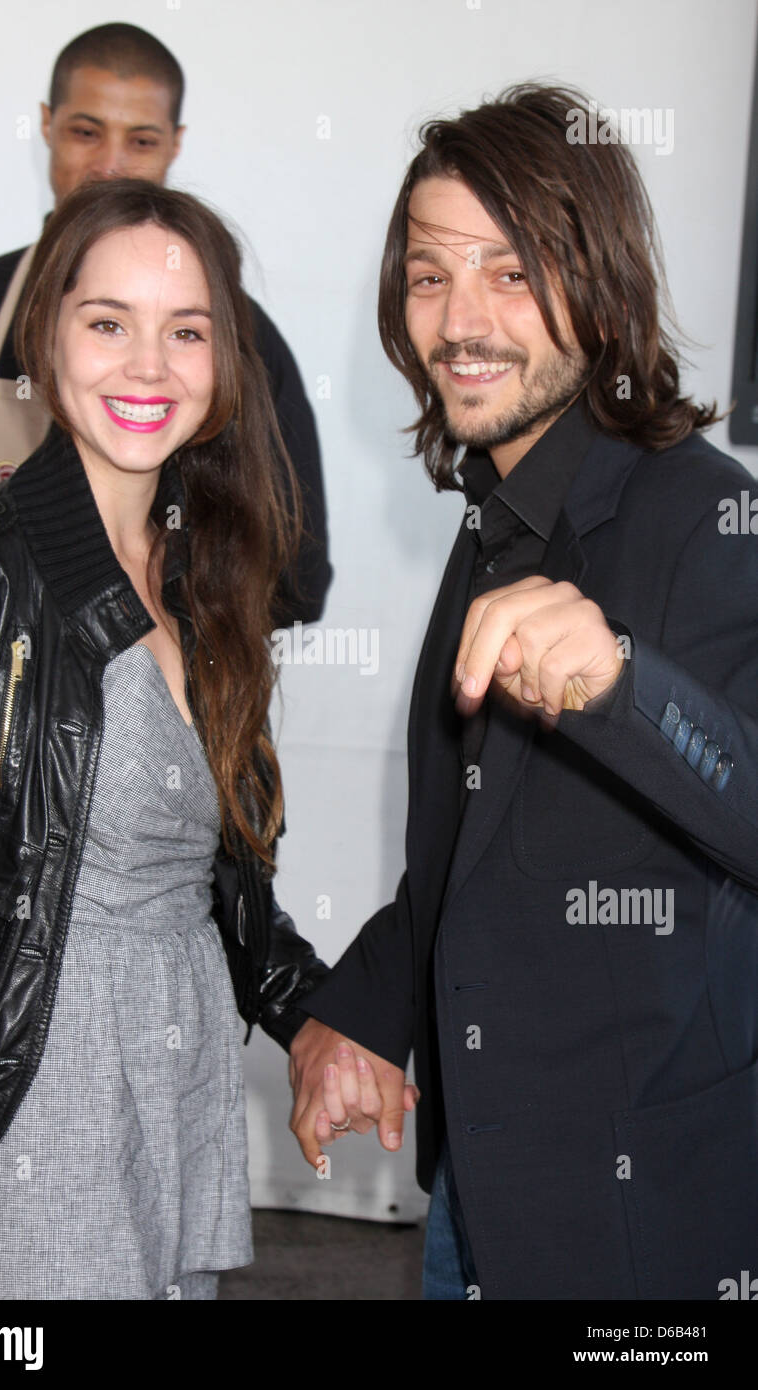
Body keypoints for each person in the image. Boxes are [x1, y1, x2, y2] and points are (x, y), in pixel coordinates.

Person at [288, 83, 758, 1300]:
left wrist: (620, 686)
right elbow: (467, 856)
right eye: (430, 274)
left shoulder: (707, 518)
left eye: (511, 271)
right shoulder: (492, 524)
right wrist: (362, 1008)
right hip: (470, 1202)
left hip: (644, 1222)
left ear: (596, 284)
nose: (460, 318)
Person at [0, 177, 329, 1301]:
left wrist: (328, 1021)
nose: (148, 366)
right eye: (107, 324)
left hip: (179, 1088)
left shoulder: (213, 577)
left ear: (224, 357)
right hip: (30, 1095)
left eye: (185, 331)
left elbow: (216, 880)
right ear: (46, 338)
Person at [0, 21, 331, 626]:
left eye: (141, 141)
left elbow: (298, 578)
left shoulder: (242, 338)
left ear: (175, 144)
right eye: (85, 132)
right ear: (46, 124)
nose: (111, 166)